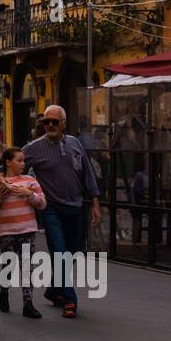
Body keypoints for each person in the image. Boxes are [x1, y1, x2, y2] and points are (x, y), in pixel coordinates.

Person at [22, 104, 100, 319]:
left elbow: (88, 174)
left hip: (76, 207)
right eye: (46, 122)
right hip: (51, 209)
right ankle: (70, 300)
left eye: (54, 122)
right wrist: (1, 177)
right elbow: (11, 163)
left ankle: (54, 290)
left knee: (74, 253)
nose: (49, 126)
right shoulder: (34, 148)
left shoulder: (75, 144)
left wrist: (95, 203)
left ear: (64, 123)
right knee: (60, 252)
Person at [0, 147, 46, 319]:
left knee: (26, 267)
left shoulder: (29, 181)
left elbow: (42, 203)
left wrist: (29, 194)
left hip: (27, 230)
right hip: (7, 231)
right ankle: (4, 292)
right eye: (19, 160)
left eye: (23, 160)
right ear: (8, 162)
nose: (23, 164)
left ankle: (28, 303)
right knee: (8, 267)